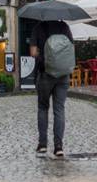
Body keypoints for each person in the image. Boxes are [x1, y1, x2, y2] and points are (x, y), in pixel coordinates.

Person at [29, 20, 74, 158]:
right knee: (59, 109)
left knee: (43, 108)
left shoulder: (38, 27)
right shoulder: (64, 26)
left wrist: (44, 56)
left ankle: (43, 144)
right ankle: (58, 146)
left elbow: (32, 52)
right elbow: (72, 49)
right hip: (63, 75)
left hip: (45, 74)